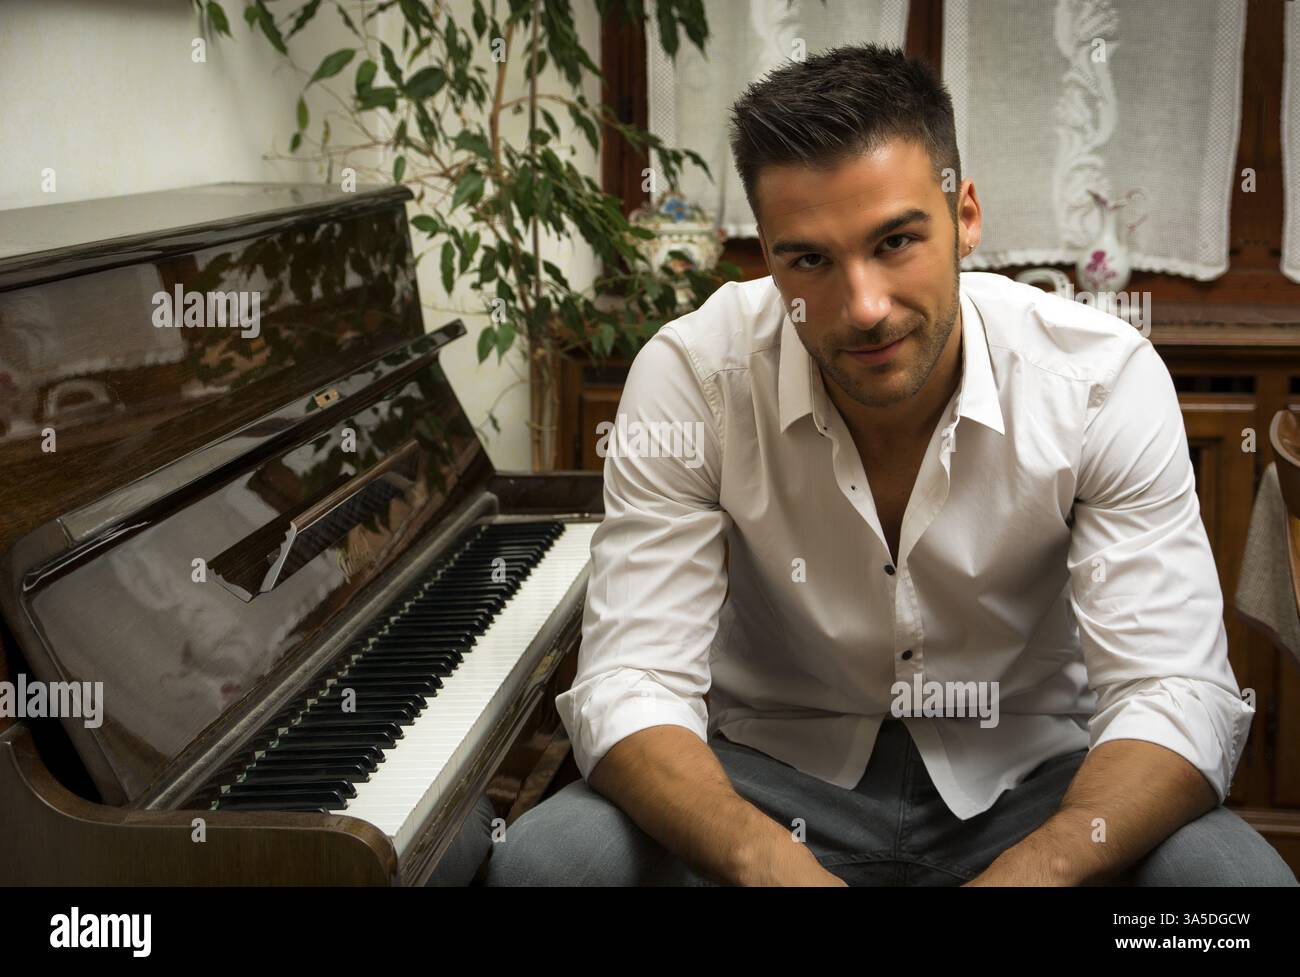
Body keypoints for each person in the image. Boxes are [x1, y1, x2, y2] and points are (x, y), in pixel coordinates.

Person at [485, 43, 1297, 886]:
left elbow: (1174, 691)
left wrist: (1039, 872)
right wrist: (768, 863)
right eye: (810, 260)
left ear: (966, 216)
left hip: (1034, 785)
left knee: (1233, 898)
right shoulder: (694, 375)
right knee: (549, 865)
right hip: (765, 777)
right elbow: (633, 678)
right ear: (765, 255)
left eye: (897, 240)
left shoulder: (1099, 380)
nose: (864, 307)